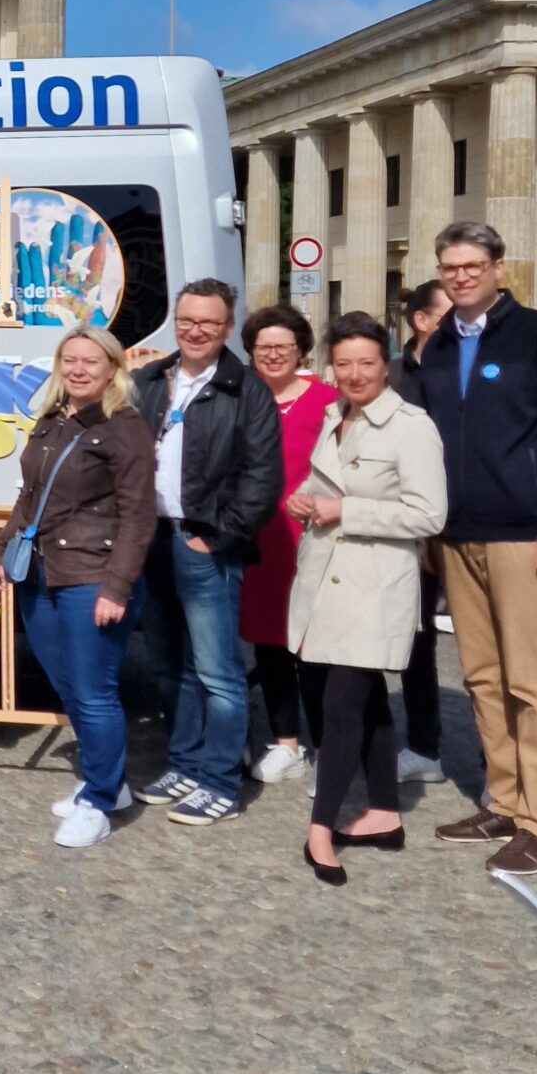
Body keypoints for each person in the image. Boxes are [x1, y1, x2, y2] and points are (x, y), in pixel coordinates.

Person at [420, 220, 537, 875]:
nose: (460, 276)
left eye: (471, 265)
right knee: (483, 678)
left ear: (497, 268)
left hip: (525, 533)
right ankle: (507, 801)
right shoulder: (435, 348)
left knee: (533, 683)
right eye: (450, 267)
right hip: (457, 534)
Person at [288, 314, 448, 884]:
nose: (355, 373)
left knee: (342, 707)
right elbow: (327, 487)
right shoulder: (335, 415)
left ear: (386, 365)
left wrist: (345, 512)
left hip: (373, 587)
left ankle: (320, 829)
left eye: (367, 362)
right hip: (323, 580)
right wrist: (304, 499)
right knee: (371, 701)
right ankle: (384, 810)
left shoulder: (412, 426)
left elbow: (429, 514)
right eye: (345, 362)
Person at [0, 326, 156, 850]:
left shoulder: (125, 429)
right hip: (40, 571)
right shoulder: (53, 420)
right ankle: (112, 781)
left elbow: (138, 517)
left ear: (112, 369)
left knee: (95, 692)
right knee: (67, 684)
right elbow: (28, 497)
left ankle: (101, 800)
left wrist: (117, 587)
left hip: (93, 575)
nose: (79, 369)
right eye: (71, 360)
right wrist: (0, 553)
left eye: (91, 361)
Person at [132, 278, 283, 828]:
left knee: (217, 670)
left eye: (209, 323)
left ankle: (220, 781)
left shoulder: (248, 390)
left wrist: (216, 536)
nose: (196, 331)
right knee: (169, 666)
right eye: (187, 320)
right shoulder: (150, 379)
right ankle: (185, 763)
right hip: (151, 539)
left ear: (226, 327)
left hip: (205, 543)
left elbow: (264, 479)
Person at [238, 305, 331, 785]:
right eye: (263, 348)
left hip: (314, 538)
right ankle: (286, 742)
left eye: (283, 347)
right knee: (270, 645)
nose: (273, 355)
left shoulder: (330, 401)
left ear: (300, 351)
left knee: (316, 649)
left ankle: (325, 750)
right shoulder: (240, 397)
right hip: (259, 538)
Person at [391, 278, 451, 775]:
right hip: (407, 527)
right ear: (422, 320)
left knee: (483, 647)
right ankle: (424, 745)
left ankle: (498, 764)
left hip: (466, 525)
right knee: (416, 640)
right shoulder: (391, 376)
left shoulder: (465, 369)